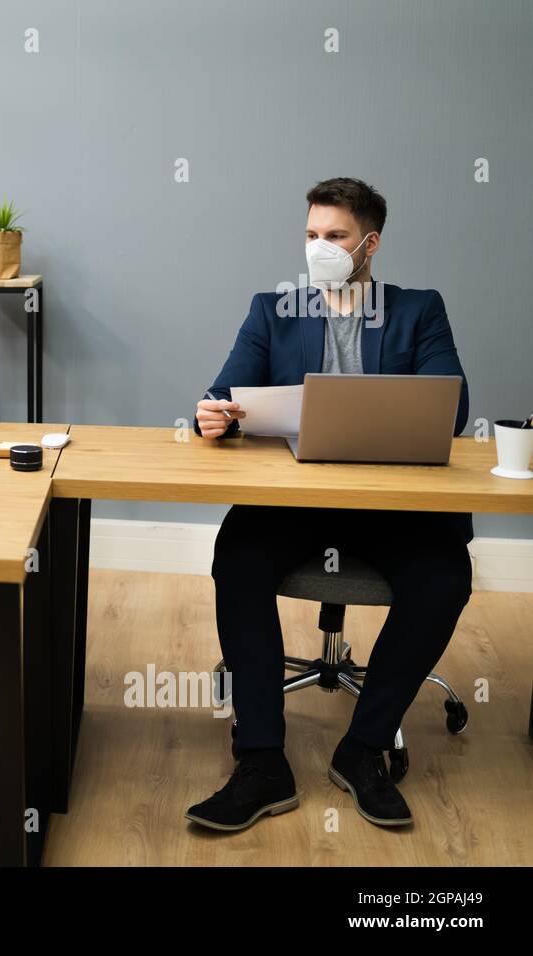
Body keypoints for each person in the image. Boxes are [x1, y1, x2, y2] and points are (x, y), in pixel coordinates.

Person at [186, 178, 471, 832]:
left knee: (445, 576)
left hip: (392, 508)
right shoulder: (272, 309)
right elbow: (222, 393)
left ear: (368, 244)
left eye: (336, 236)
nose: (321, 248)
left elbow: (452, 411)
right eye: (312, 235)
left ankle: (364, 747)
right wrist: (213, 415)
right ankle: (261, 759)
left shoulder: (418, 309)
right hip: (292, 502)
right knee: (238, 557)